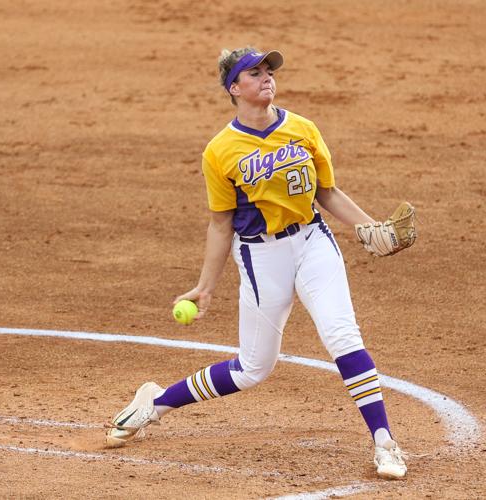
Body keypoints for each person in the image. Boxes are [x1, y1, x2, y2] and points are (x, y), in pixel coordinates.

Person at [105, 46, 408, 480]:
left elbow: (326, 192)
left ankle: (384, 442)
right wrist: (206, 286)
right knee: (253, 368)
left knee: (342, 334)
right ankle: (155, 402)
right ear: (235, 88)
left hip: (312, 241)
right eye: (254, 73)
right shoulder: (220, 151)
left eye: (269, 71)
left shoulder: (303, 129)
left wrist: (369, 227)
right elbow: (220, 223)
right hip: (260, 255)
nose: (266, 77)